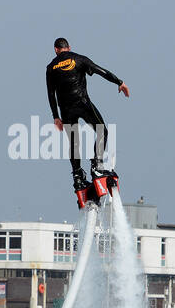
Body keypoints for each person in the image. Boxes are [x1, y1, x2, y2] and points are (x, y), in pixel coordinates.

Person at [46, 37, 130, 200]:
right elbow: (100, 71)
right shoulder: (79, 59)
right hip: (83, 104)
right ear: (69, 47)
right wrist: (119, 82)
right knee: (102, 131)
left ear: (56, 50)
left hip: (66, 110)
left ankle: (77, 176)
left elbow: (51, 94)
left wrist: (56, 117)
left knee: (73, 143)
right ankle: (97, 164)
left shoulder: (50, 68)